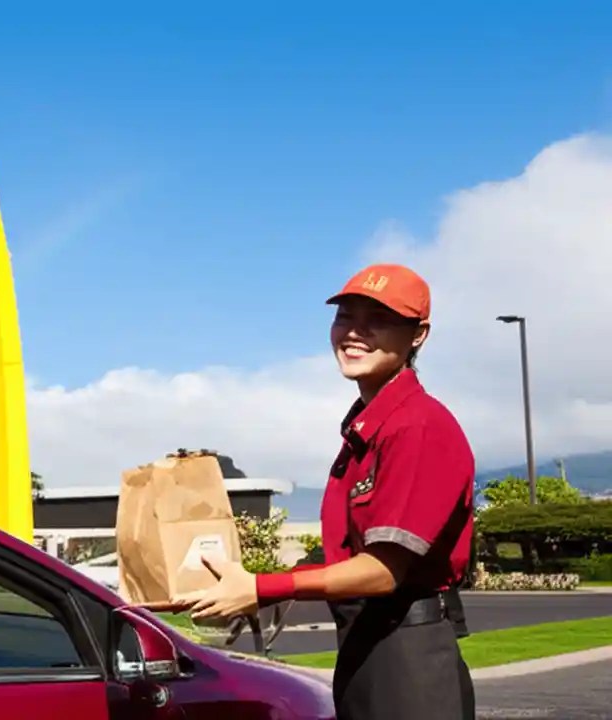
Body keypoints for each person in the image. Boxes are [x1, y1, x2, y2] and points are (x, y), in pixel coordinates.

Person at [170, 263, 476, 720]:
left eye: (379, 320)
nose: (355, 333)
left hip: (407, 652)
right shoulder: (368, 430)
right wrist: (239, 584)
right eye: (345, 317)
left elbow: (382, 572)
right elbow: (342, 558)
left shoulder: (419, 426)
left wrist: (261, 587)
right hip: (369, 646)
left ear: (419, 335)